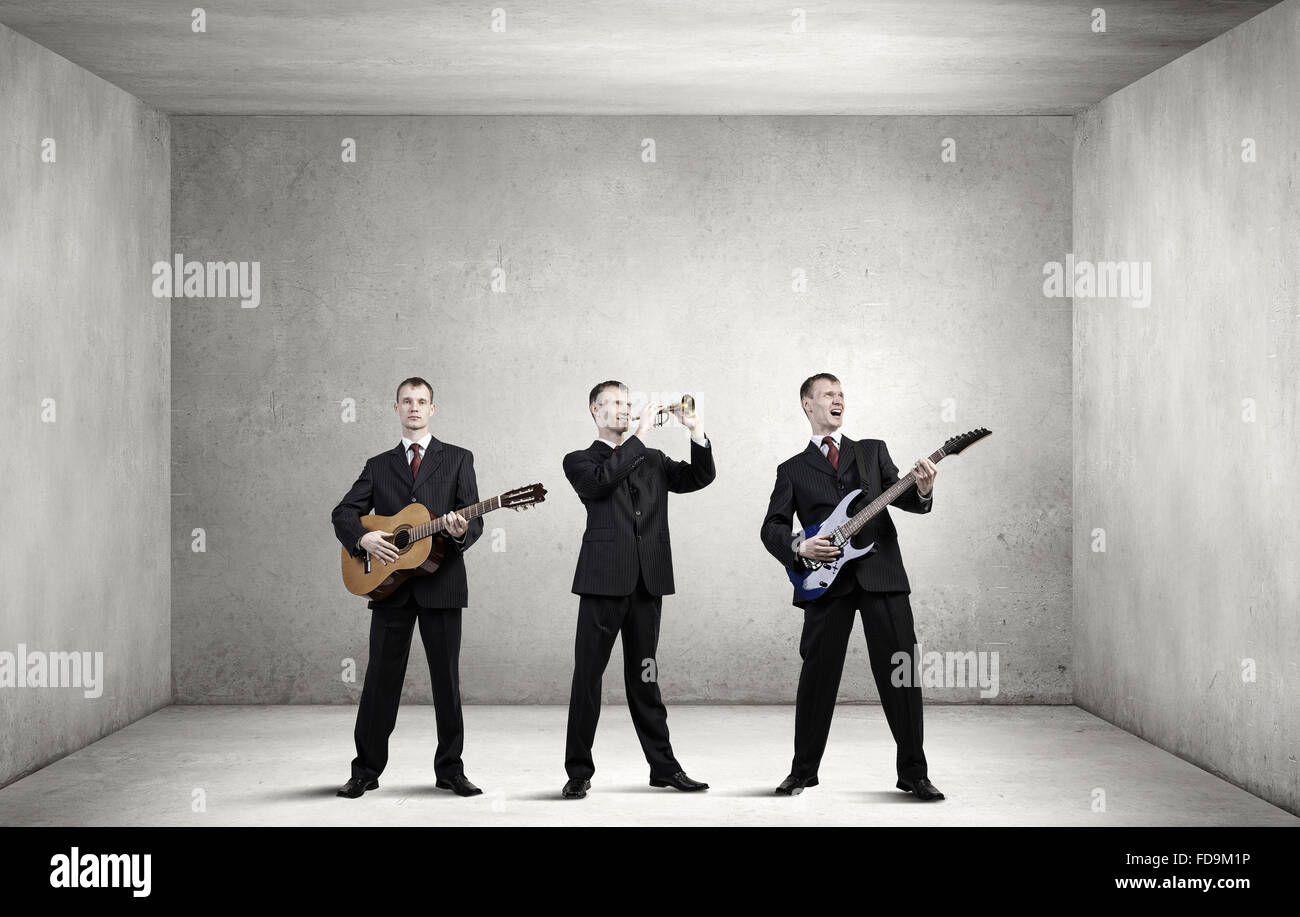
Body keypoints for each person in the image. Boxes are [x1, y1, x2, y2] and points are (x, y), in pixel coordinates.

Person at [760, 373, 945, 800]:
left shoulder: (872, 452)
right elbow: (771, 528)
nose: (838, 399)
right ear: (808, 404)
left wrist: (924, 488)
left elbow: (905, 500)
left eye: (841, 394)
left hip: (881, 575)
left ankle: (914, 774)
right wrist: (798, 546)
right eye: (828, 394)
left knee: (902, 674)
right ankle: (803, 771)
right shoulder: (791, 470)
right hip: (824, 583)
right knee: (817, 678)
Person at [560, 382, 715, 799]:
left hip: (648, 583)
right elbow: (599, 485)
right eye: (615, 403)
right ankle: (578, 771)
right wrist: (640, 435)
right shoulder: (578, 460)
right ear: (595, 410)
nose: (625, 409)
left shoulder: (652, 459)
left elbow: (700, 476)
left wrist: (695, 430)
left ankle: (663, 767)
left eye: (629, 403)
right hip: (602, 582)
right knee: (587, 679)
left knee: (646, 677)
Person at [331, 376, 484, 798]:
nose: (414, 407)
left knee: (445, 682)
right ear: (396, 408)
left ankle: (450, 770)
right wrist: (362, 538)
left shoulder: (458, 458)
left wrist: (456, 532)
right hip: (389, 587)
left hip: (443, 584)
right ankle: (365, 770)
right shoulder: (378, 465)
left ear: (432, 409)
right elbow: (344, 511)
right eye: (406, 401)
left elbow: (476, 524)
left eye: (422, 401)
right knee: (380, 679)